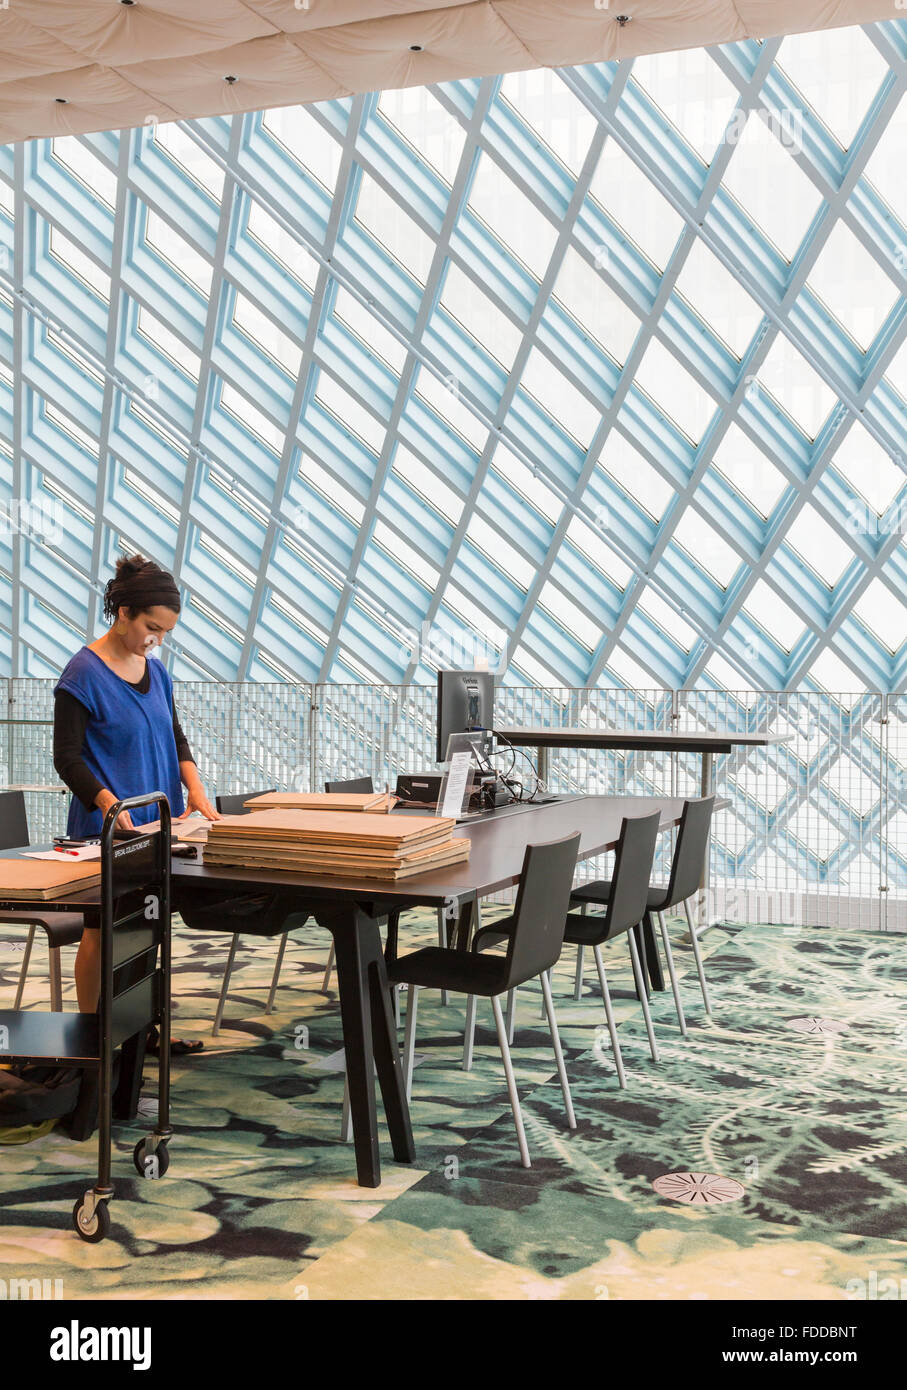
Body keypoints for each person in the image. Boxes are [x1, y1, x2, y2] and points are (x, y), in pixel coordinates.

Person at [52, 552, 222, 1050]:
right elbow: (67, 758)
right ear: (123, 613)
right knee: (102, 932)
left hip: (154, 823)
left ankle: (141, 1033)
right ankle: (97, 1039)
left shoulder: (157, 671)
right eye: (152, 627)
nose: (157, 639)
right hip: (106, 828)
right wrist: (109, 804)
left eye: (165, 632)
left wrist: (195, 788)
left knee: (146, 929)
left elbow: (176, 736)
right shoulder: (82, 673)